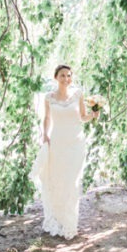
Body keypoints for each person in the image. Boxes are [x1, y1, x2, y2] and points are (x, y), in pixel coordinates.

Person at [30, 64, 99, 239]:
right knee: (58, 180)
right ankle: (58, 219)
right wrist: (45, 135)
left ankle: (70, 223)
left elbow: (82, 117)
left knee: (72, 183)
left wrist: (93, 115)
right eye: (62, 75)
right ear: (56, 77)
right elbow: (46, 118)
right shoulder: (49, 97)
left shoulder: (77, 95)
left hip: (75, 144)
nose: (66, 79)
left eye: (69, 75)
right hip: (58, 142)